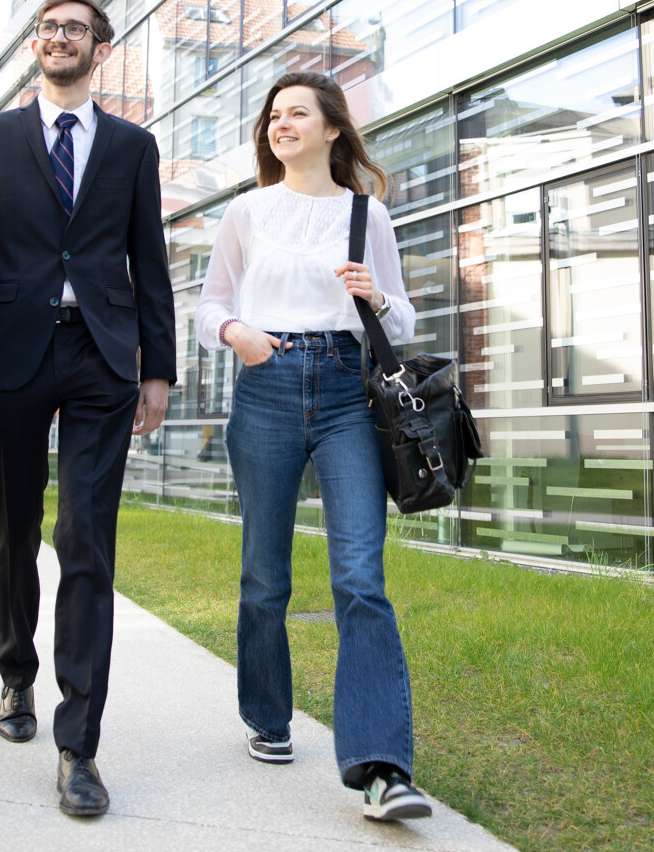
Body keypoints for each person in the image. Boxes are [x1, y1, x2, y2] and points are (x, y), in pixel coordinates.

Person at [0, 0, 175, 818]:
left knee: (85, 538)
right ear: (35, 45)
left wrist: (159, 369)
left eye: (75, 29)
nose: (59, 38)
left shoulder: (133, 146)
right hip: (10, 353)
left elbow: (149, 258)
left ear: (99, 49)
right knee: (13, 527)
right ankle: (17, 675)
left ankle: (80, 745)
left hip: (100, 354)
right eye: (48, 28)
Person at [194, 70, 431, 823]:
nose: (281, 123)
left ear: (332, 128)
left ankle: (382, 768)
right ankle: (268, 715)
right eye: (274, 115)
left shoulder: (368, 214)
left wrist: (377, 296)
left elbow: (404, 319)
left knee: (359, 575)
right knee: (265, 574)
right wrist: (237, 333)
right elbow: (210, 305)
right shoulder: (247, 211)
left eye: (298, 112)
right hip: (265, 384)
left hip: (346, 392)